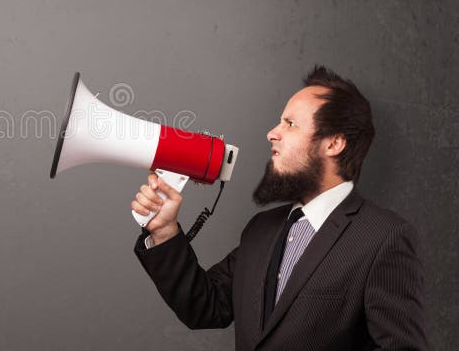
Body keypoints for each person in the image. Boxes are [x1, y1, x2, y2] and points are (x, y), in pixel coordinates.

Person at [132, 65, 428, 351]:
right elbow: (206, 308)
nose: (272, 133)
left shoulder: (383, 237)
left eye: (290, 124)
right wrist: (165, 231)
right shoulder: (261, 229)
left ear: (334, 143)